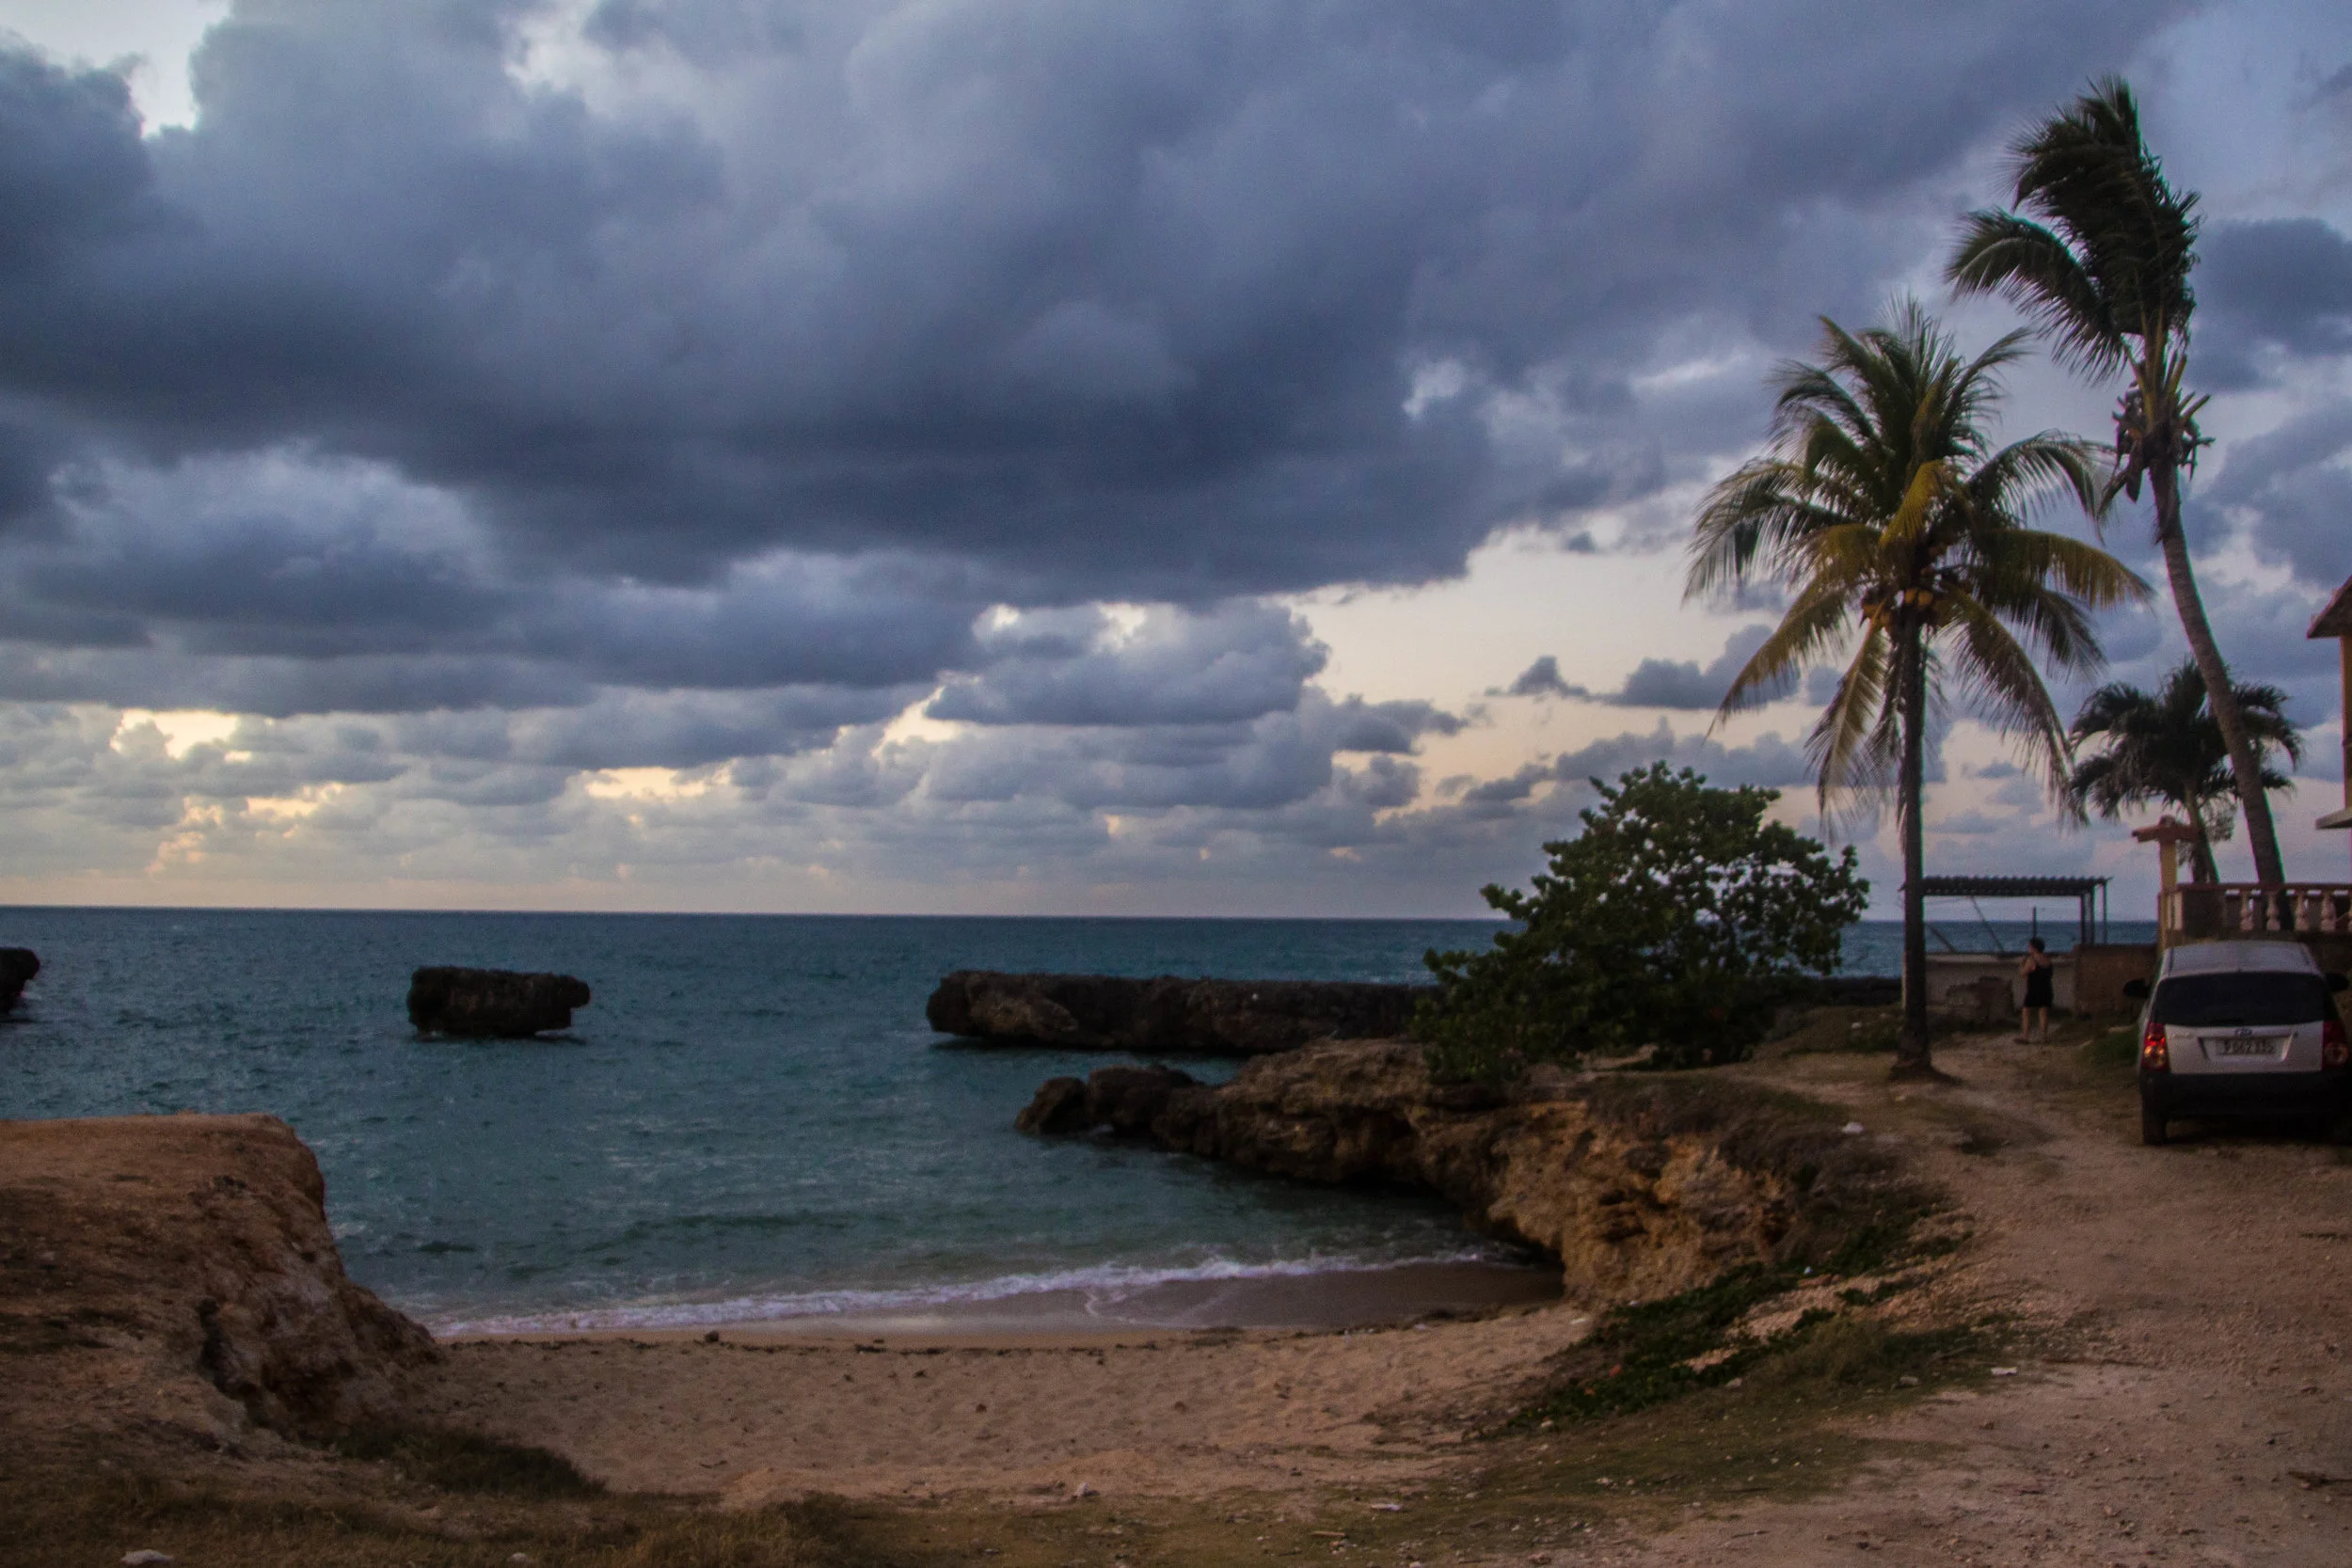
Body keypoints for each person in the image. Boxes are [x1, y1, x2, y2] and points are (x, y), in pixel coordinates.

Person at [2016, 937, 2055, 1043]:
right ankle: (2044, 1037)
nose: (2029, 948)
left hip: (2034, 990)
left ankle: (2025, 1037)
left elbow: (2022, 973)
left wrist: (2021, 964)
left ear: (2034, 948)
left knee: (2026, 1012)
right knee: (2043, 1013)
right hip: (2047, 989)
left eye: (2030, 946)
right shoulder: (2048, 960)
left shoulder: (2032, 960)